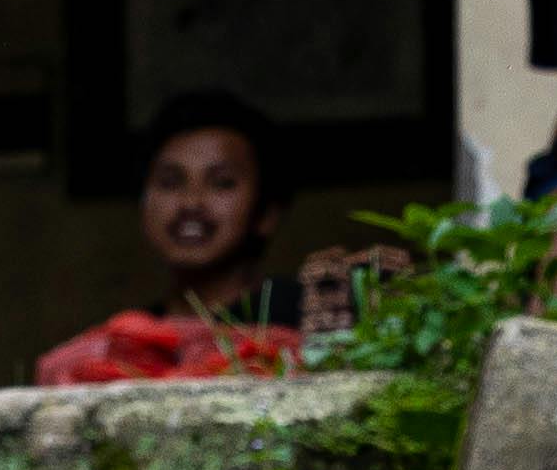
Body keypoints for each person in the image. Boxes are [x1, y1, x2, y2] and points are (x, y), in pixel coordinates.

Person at [37, 87, 366, 385]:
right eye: (170, 182)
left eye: (222, 182)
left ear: (267, 213)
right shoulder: (121, 343)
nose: (190, 203)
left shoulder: (313, 316)